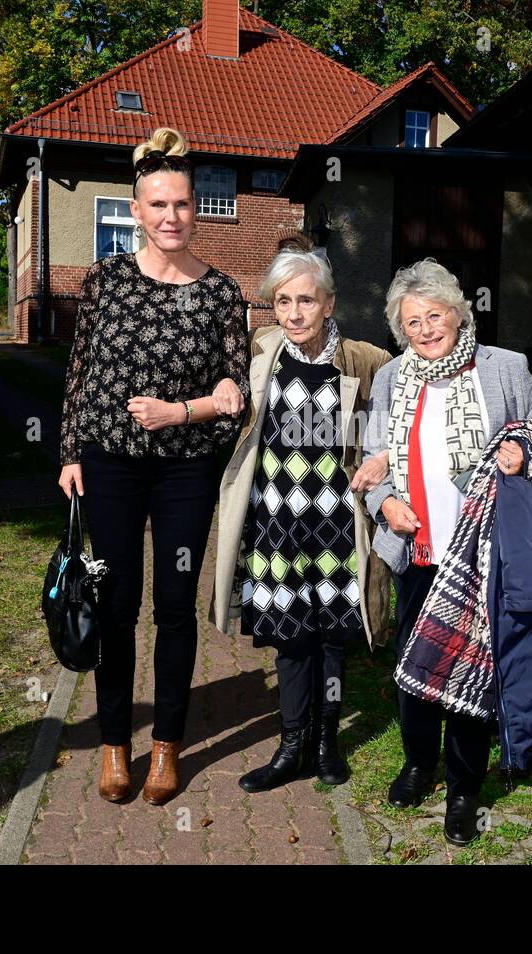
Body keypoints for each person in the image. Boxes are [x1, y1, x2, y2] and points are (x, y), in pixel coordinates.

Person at [57, 127, 248, 806]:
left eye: (183, 204)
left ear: (196, 210)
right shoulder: (104, 280)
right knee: (115, 605)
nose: (171, 216)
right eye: (158, 205)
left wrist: (184, 410)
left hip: (185, 473)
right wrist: (70, 453)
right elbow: (79, 372)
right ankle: (115, 744)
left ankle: (166, 744)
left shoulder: (223, 293)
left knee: (173, 608)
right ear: (136, 210)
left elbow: (236, 395)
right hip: (108, 466)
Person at [362, 258, 532, 845]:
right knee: (416, 665)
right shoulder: (393, 377)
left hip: (481, 551)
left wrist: (522, 453)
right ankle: (419, 761)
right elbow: (374, 462)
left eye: (434, 315)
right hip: (418, 546)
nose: (424, 329)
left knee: (472, 668)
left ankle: (465, 788)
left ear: (459, 312)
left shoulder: (505, 368)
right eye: (411, 321)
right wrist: (386, 504)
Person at [211, 238, 394, 792]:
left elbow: (404, 406)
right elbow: (218, 389)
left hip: (338, 520)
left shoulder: (365, 359)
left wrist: (384, 455)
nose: (294, 313)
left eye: (306, 301)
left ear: (329, 303)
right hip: (278, 518)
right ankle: (291, 745)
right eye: (282, 301)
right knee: (292, 638)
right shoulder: (259, 352)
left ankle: (326, 742)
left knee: (333, 635)